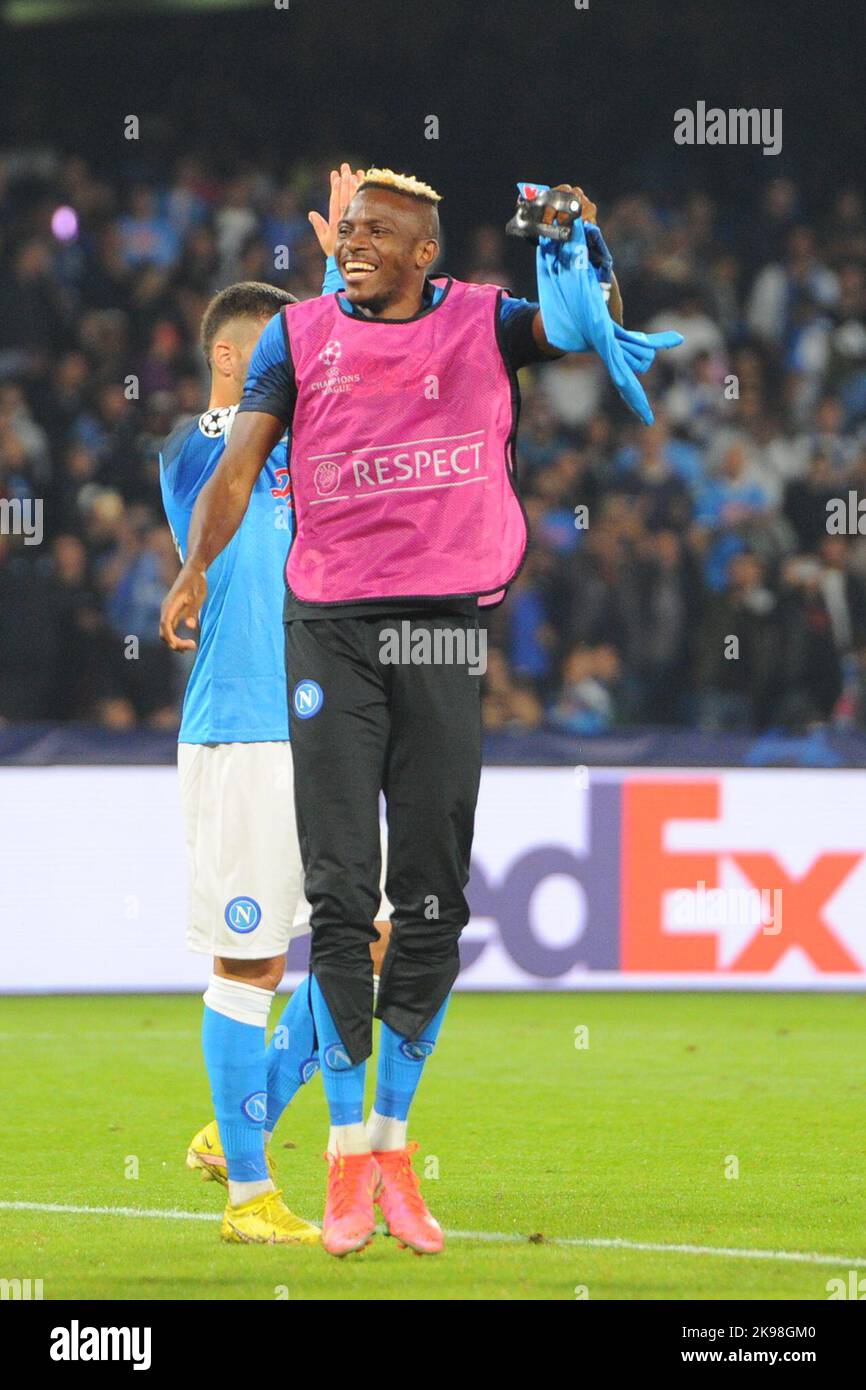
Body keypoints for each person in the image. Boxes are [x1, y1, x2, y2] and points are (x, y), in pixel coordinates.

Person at [160, 170, 674, 1257]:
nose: (352, 245)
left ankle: (381, 1143)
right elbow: (239, 462)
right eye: (346, 232)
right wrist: (193, 568)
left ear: (423, 254)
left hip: (439, 628)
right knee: (319, 920)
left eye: (376, 234)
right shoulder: (273, 363)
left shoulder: (472, 324)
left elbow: (581, 325)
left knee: (424, 908)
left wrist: (578, 244)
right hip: (309, 658)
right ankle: (309, 1164)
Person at [160, 166, 390, 1245]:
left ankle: (232, 1124)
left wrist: (355, 263)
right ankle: (251, 1194)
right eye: (277, 358)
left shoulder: (307, 452)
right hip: (244, 734)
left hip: (314, 731)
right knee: (249, 962)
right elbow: (230, 458)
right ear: (230, 361)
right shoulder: (199, 449)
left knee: (373, 941)